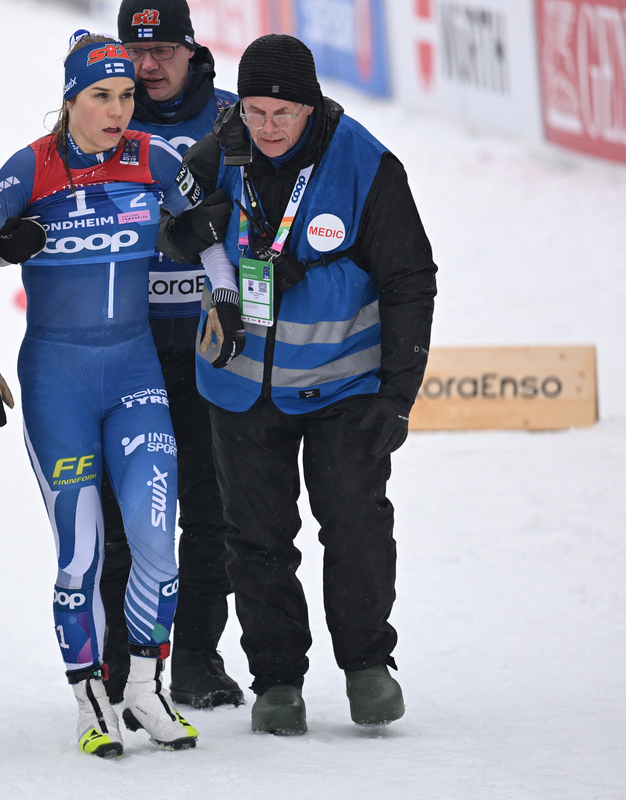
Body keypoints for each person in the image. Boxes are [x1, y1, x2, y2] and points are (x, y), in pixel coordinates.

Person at [0, 30, 233, 758]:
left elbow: (207, 234)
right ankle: (89, 698)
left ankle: (145, 686)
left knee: (157, 544)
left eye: (126, 97)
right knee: (80, 554)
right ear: (70, 100)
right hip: (59, 380)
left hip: (136, 372)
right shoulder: (30, 170)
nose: (118, 110)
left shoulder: (154, 159)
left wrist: (225, 298)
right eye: (101, 97)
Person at [161, 33, 437, 735]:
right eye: (254, 111)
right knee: (255, 539)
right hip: (240, 389)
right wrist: (194, 230)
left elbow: (410, 279)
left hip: (344, 389)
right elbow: (175, 225)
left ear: (311, 107)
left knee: (354, 526)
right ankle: (277, 679)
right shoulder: (222, 149)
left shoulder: (365, 163)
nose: (268, 127)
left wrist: (397, 394)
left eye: (283, 112)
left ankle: (369, 666)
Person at [95, 0, 244, 712]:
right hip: (127, 345)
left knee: (211, 510)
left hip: (213, 343)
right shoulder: (99, 113)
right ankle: (122, 661)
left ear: (192, 51)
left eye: (164, 52)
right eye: (134, 50)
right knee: (126, 513)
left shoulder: (230, 118)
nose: (147, 67)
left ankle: (195, 658)